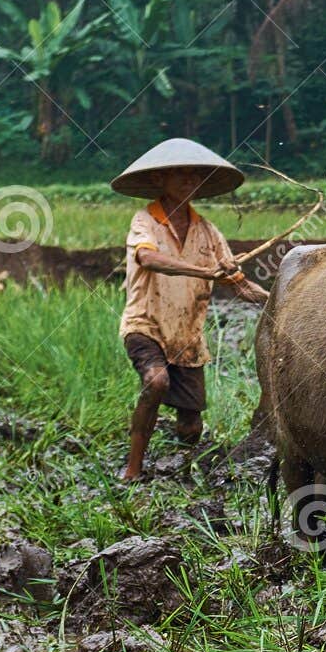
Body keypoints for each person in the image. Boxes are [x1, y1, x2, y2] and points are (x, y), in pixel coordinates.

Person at [112, 139, 270, 481]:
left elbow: (238, 283)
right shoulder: (145, 221)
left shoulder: (208, 231)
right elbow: (148, 258)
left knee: (190, 424)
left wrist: (276, 299)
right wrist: (202, 271)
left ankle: (182, 470)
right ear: (160, 180)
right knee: (156, 381)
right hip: (146, 323)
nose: (188, 180)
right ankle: (133, 469)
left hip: (187, 337)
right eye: (180, 174)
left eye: (194, 175)